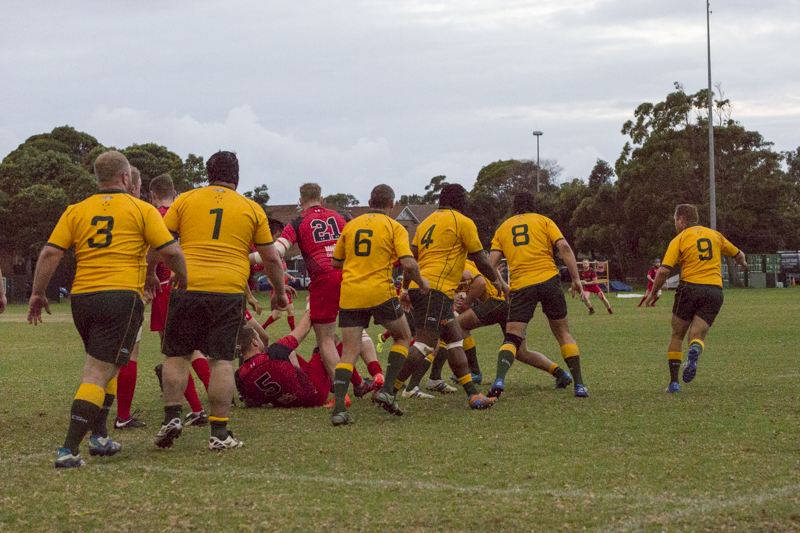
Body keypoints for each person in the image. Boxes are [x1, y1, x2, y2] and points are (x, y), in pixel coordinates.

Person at [27, 150, 188, 468]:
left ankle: (99, 436)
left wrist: (36, 293)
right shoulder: (141, 209)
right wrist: (183, 277)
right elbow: (170, 250)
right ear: (127, 178)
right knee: (98, 371)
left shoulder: (76, 210)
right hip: (120, 298)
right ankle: (69, 450)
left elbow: (49, 254)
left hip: (82, 298)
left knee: (106, 365)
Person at [155, 151, 288, 451]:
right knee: (221, 361)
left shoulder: (185, 200)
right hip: (228, 290)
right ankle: (219, 433)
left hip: (188, 285)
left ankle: (172, 417)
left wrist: (152, 273)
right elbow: (270, 256)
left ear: (208, 173)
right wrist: (279, 293)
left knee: (177, 355)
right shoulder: (251, 209)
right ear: (237, 177)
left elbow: (162, 240)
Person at [393, 184, 502, 411]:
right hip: (436, 289)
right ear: (460, 201)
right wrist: (497, 281)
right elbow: (481, 258)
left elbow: (411, 260)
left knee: (454, 339)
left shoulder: (424, 224)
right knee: (424, 343)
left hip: (421, 286)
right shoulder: (461, 221)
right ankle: (389, 390)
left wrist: (405, 289)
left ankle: (473, 395)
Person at [328, 184, 429, 424]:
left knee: (350, 351)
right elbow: (408, 263)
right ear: (392, 204)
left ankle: (339, 409)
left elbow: (335, 263)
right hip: (380, 293)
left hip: (351, 293)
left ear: (370, 201)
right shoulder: (394, 227)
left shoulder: (351, 226)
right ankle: (386, 391)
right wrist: (421, 282)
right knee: (404, 336)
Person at [487, 191, 589, 398]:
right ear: (533, 206)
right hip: (549, 279)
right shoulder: (544, 221)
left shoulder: (503, 228)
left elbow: (490, 265)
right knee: (563, 333)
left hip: (522, 286)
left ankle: (499, 381)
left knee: (512, 338)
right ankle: (579, 385)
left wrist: (501, 284)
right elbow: (564, 247)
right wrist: (576, 279)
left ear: (514, 207)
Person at [644, 204, 747, 393]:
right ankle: (694, 352)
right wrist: (743, 263)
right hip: (715, 291)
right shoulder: (715, 235)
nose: (675, 224)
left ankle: (674, 384)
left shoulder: (680, 238)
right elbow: (739, 254)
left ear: (682, 220)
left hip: (690, 288)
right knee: (696, 335)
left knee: (677, 335)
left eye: (675, 220)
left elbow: (664, 270)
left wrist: (652, 293)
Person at [143, 173, 211, 430]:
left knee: (174, 351)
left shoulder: (158, 216)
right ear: (174, 190)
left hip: (166, 286)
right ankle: (211, 401)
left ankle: (195, 408)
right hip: (196, 284)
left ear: (152, 195)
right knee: (193, 348)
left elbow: (161, 253)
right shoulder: (189, 212)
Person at [450, 260, 573, 392]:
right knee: (521, 352)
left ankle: (474, 371)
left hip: (496, 301)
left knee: (457, 325)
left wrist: (467, 303)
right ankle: (560, 373)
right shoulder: (473, 263)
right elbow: (490, 270)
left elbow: (480, 283)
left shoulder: (462, 264)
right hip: (509, 304)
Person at [273, 183, 349, 382]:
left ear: (300, 202)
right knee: (358, 333)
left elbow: (276, 252)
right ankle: (375, 376)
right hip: (351, 275)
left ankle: (341, 393)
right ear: (321, 199)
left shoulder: (298, 222)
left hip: (325, 278)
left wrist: (247, 257)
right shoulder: (342, 217)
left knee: (325, 339)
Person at [236, 313, 372, 408]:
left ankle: (336, 381)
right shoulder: (274, 352)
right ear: (254, 342)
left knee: (291, 353)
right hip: (313, 394)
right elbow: (304, 327)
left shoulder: (239, 376)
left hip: (286, 401)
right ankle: (359, 385)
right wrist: (311, 304)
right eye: (258, 338)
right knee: (327, 340)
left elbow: (252, 402)